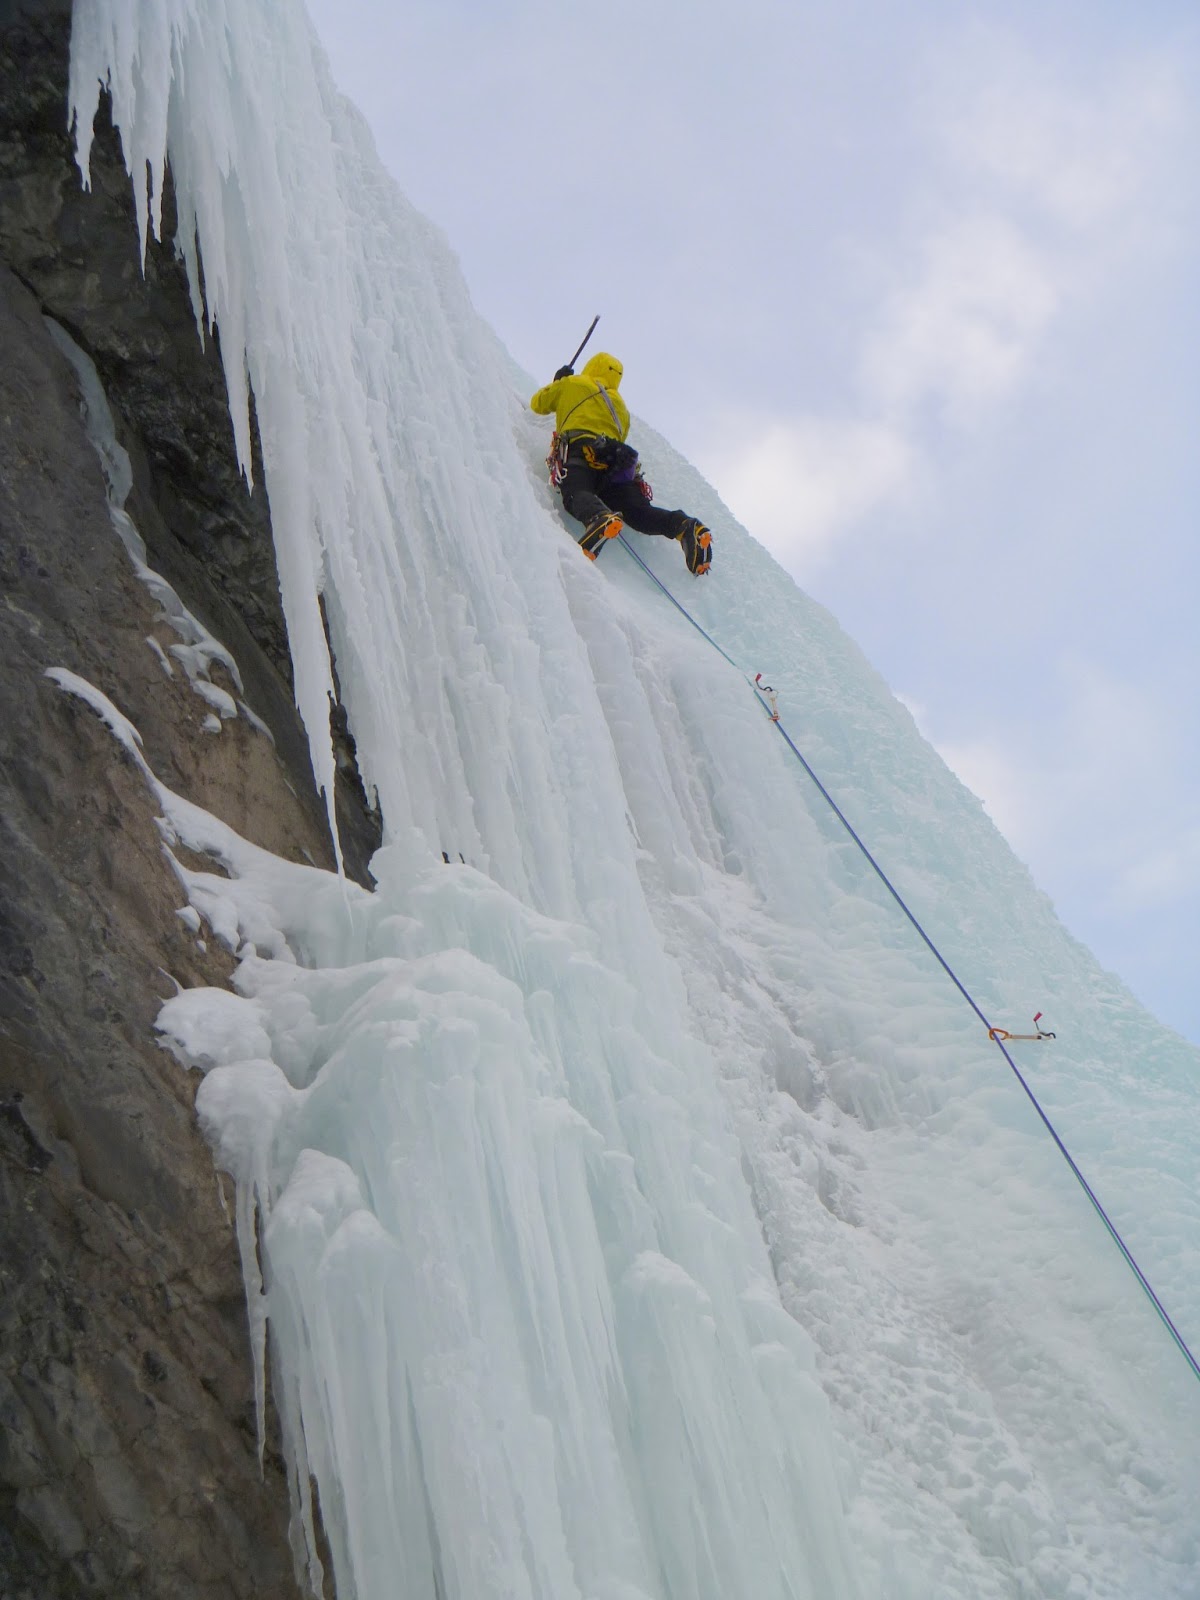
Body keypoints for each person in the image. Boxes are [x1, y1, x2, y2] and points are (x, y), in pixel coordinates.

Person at [530, 352, 713, 573]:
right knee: (638, 513)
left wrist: (558, 382)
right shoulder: (620, 406)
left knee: (575, 491)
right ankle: (684, 526)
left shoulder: (572, 382)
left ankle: (598, 517)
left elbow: (538, 404)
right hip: (617, 459)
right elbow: (621, 434)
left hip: (581, 449)